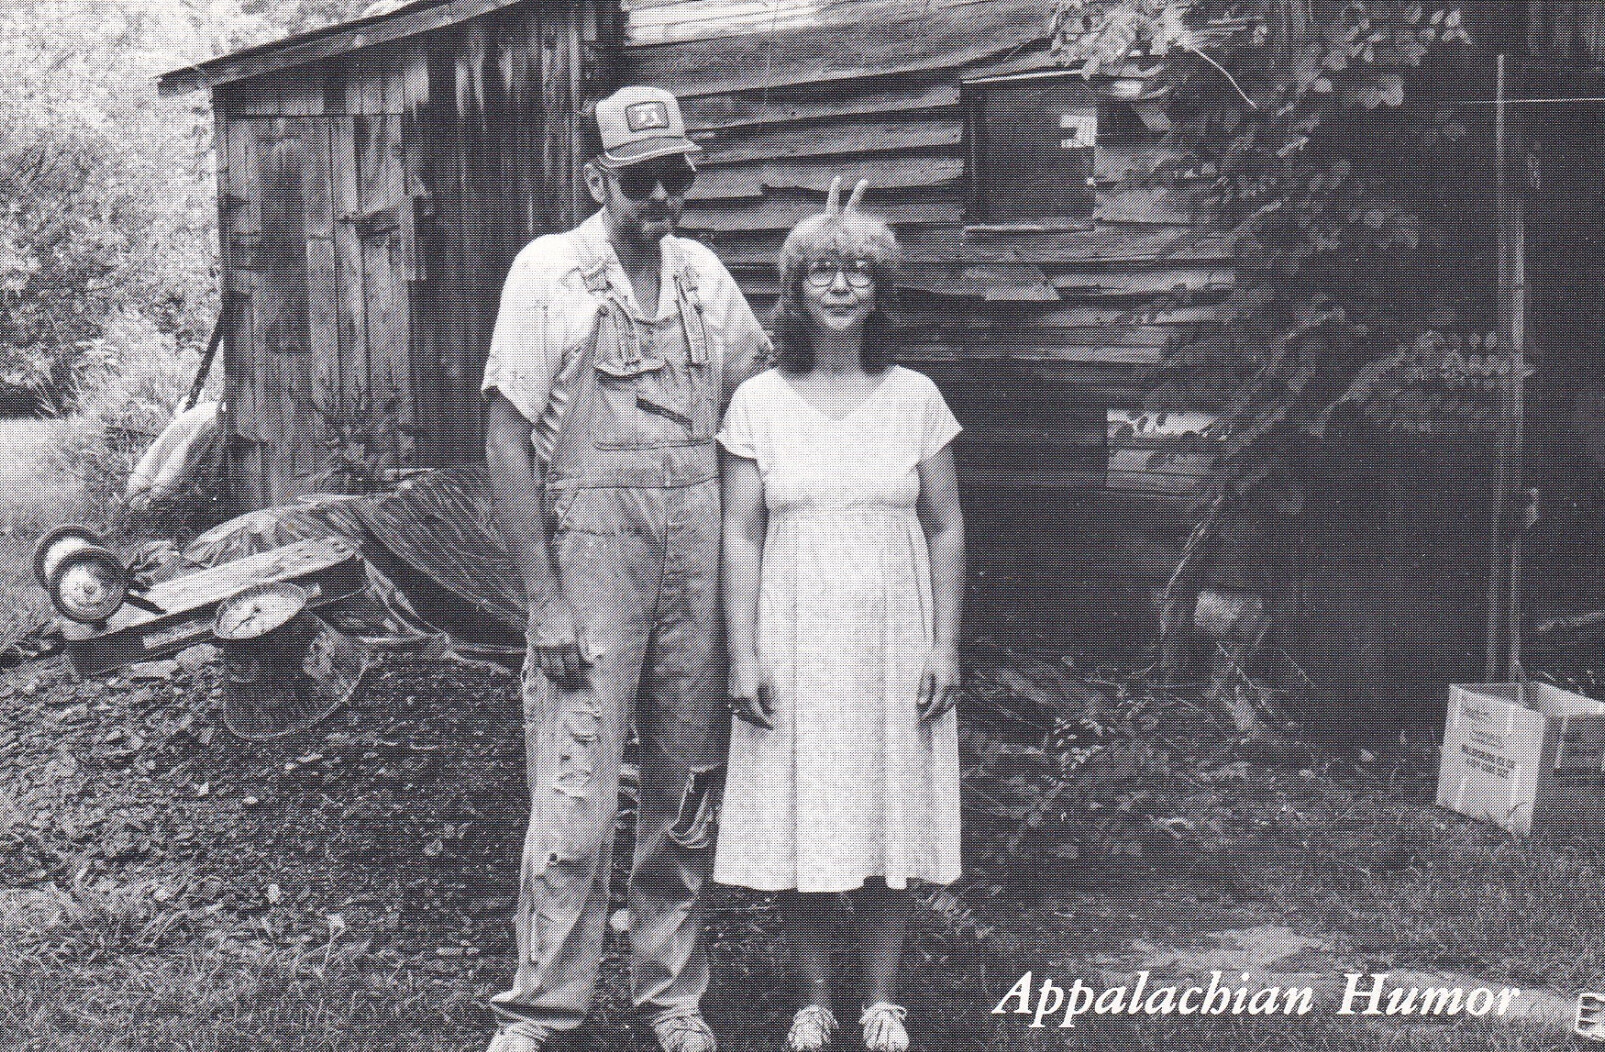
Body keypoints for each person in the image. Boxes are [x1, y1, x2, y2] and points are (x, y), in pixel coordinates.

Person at [481, 85, 770, 1052]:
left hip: (697, 550)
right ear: (597, 177)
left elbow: (757, 402)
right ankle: (538, 1011)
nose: (661, 196)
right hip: (592, 558)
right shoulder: (549, 272)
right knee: (575, 800)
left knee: (687, 796)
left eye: (676, 176)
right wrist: (543, 600)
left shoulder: (701, 274)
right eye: (640, 178)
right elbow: (505, 437)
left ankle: (672, 1003)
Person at [713, 180, 967, 1052]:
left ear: (879, 290)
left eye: (858, 271)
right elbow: (740, 535)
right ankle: (813, 1001)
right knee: (806, 807)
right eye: (822, 270)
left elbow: (945, 525)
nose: (839, 286)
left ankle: (882, 1001)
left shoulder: (915, 396)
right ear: (795, 288)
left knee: (888, 802)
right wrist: (742, 655)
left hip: (894, 636)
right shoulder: (757, 402)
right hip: (794, 633)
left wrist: (944, 645)